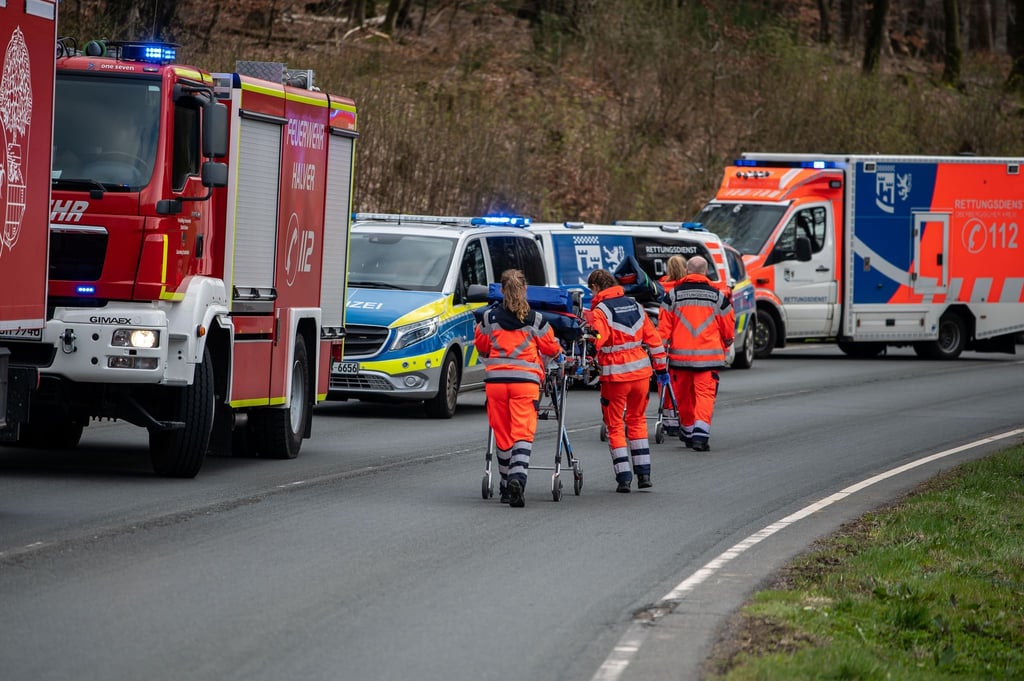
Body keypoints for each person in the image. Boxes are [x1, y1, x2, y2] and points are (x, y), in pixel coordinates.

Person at [474, 269, 563, 508]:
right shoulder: (536, 320)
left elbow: (480, 345)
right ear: (525, 290)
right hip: (525, 384)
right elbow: (552, 348)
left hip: (496, 384)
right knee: (523, 433)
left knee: (503, 437)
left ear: (502, 290)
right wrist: (560, 357)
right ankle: (517, 478)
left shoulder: (488, 318)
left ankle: (505, 487)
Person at [587, 268, 668, 493]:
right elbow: (654, 340)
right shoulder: (635, 306)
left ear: (595, 287)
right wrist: (661, 369)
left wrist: (589, 346)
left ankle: (624, 478)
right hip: (642, 374)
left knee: (615, 425)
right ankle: (644, 475)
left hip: (616, 376)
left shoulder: (601, 310)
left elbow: (597, 340)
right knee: (638, 420)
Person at [657, 256, 734, 452]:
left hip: (679, 359)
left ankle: (688, 430)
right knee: (704, 396)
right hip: (708, 360)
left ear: (688, 271)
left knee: (683, 397)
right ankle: (700, 435)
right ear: (705, 272)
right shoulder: (718, 297)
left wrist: (659, 352)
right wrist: (726, 342)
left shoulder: (672, 296)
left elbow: (663, 330)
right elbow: (728, 328)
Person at [655, 254, 688, 436]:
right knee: (682, 386)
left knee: (665, 383)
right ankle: (682, 419)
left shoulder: (660, 289)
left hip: (664, 344)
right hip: (684, 345)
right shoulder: (685, 290)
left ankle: (669, 421)